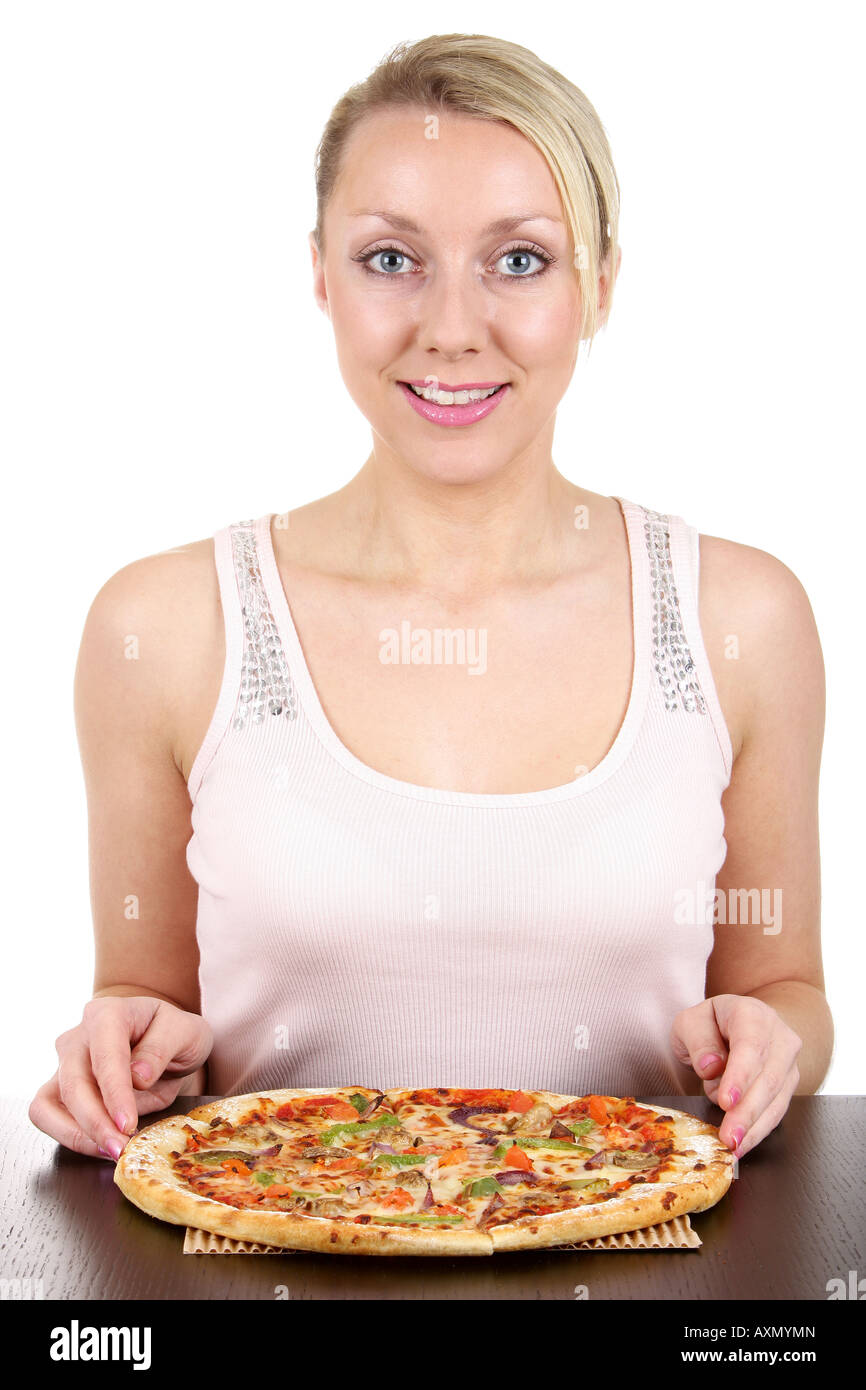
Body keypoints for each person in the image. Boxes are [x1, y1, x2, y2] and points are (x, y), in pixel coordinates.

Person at [30, 33, 832, 1169]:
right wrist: (126, 1056)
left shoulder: (738, 620)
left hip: (646, 1271)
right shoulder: (164, 629)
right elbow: (150, 1008)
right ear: (318, 274)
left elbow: (784, 986)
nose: (451, 327)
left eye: (518, 262)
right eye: (390, 259)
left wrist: (771, 1039)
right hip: (281, 1268)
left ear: (601, 283)